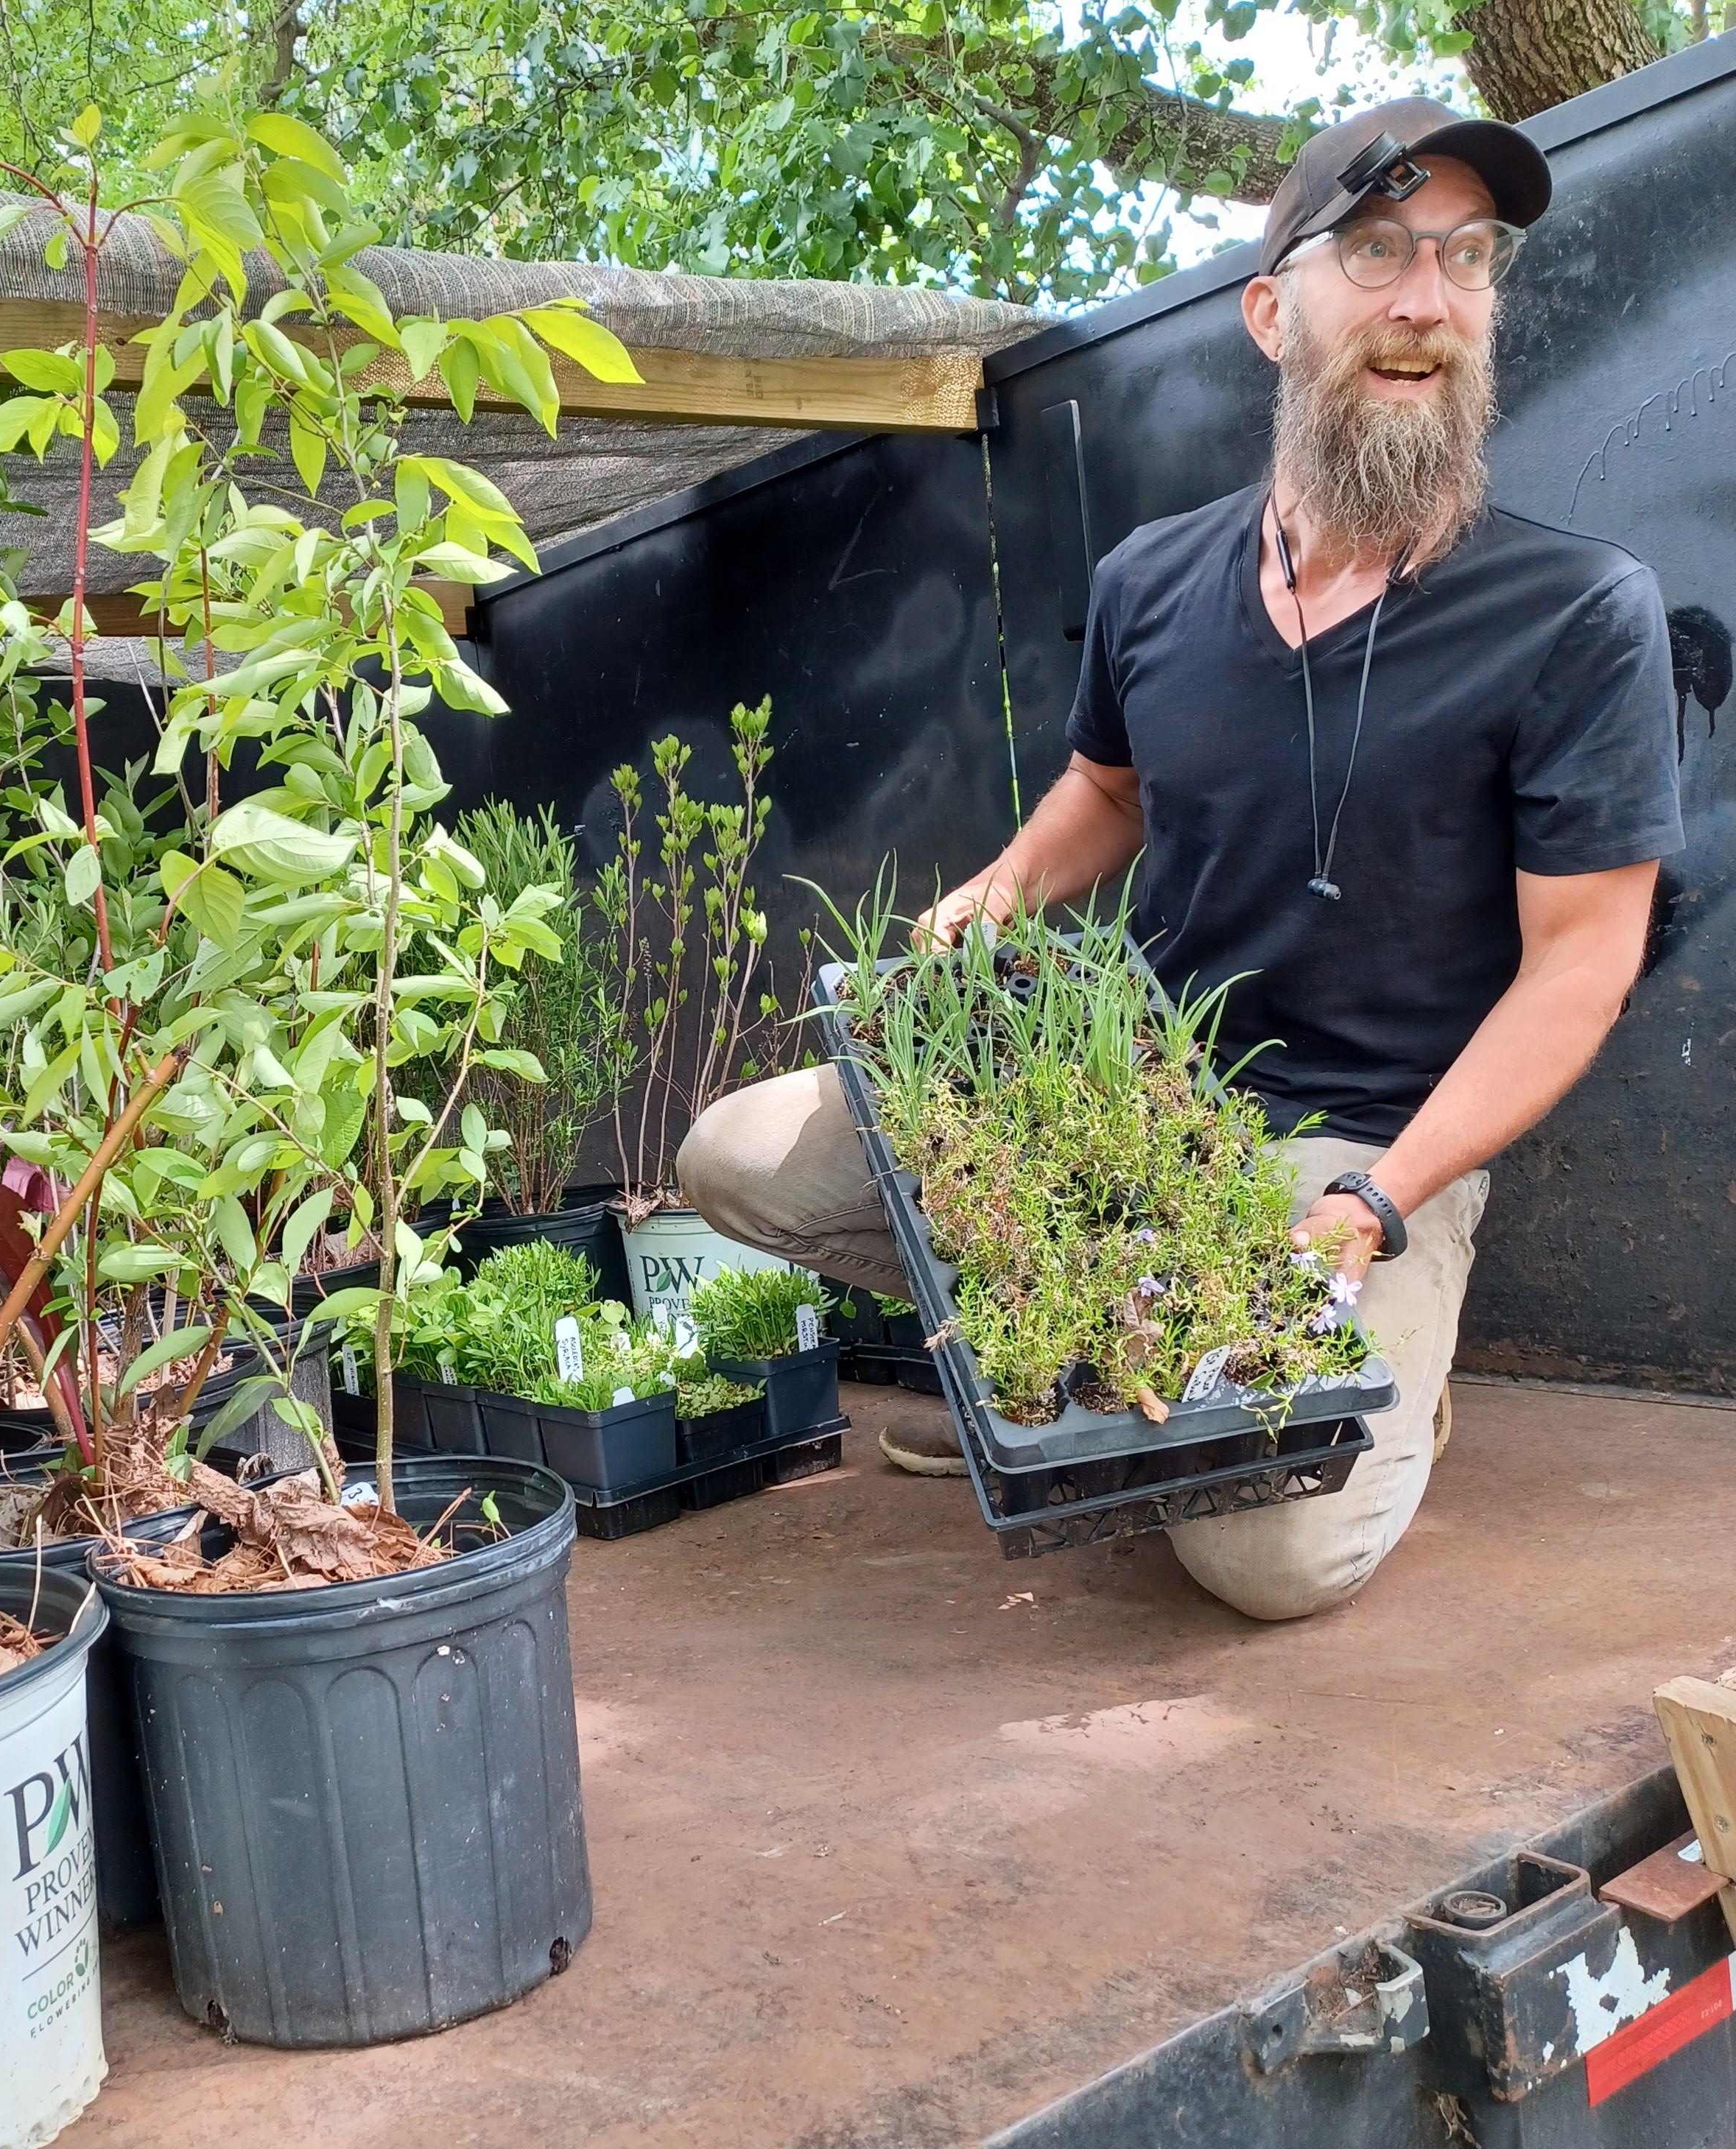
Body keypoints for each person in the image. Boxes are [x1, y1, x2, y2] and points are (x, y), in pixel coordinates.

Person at [677, 98, 1683, 1622]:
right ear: (1271, 313)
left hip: (1361, 1147)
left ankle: (1340, 1385)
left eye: (1466, 256)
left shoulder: (1575, 613)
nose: (1426, 298)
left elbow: (1580, 966)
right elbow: (1111, 788)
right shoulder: (1152, 578)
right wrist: (989, 900)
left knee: (1268, 1565)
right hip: (1138, 1100)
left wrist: (1377, 1201)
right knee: (734, 1158)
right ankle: (1077, 1363)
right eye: (1376, 250)